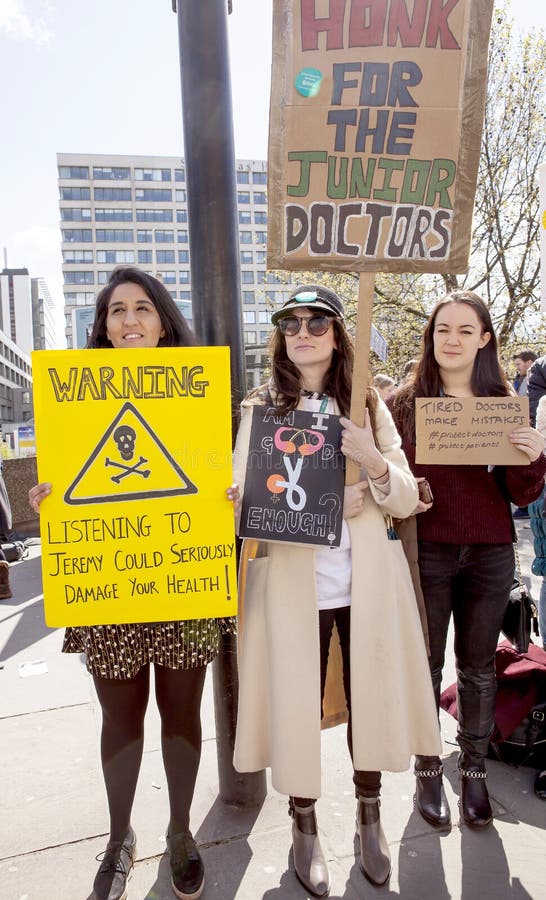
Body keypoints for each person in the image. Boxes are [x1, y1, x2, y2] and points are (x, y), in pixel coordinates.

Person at [228, 284, 440, 896]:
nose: (302, 332)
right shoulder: (260, 408)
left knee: (369, 696)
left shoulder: (368, 404)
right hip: (295, 587)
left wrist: (373, 462)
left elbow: (403, 496)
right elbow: (249, 504)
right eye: (290, 323)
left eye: (316, 322)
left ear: (337, 334)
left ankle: (370, 817)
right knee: (297, 703)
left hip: (366, 582)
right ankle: (304, 823)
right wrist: (320, 501)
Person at [29, 267, 234, 900]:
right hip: (110, 585)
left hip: (183, 579)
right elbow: (67, 479)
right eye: (116, 310)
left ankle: (179, 830)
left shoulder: (204, 391)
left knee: (180, 715)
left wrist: (232, 495)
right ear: (104, 327)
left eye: (142, 307)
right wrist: (50, 501)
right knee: (120, 719)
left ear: (163, 320)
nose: (130, 320)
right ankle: (120, 837)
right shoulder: (76, 395)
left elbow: (224, 472)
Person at [389, 290, 546, 830]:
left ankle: (474, 770)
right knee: (425, 664)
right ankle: (428, 768)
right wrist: (409, 491)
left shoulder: (504, 402)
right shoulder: (402, 404)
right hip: (426, 552)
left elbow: (522, 495)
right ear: (430, 339)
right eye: (441, 330)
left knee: (478, 669)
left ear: (484, 339)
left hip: (489, 554)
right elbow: (387, 481)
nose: (450, 340)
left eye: (463, 330)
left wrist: (532, 458)